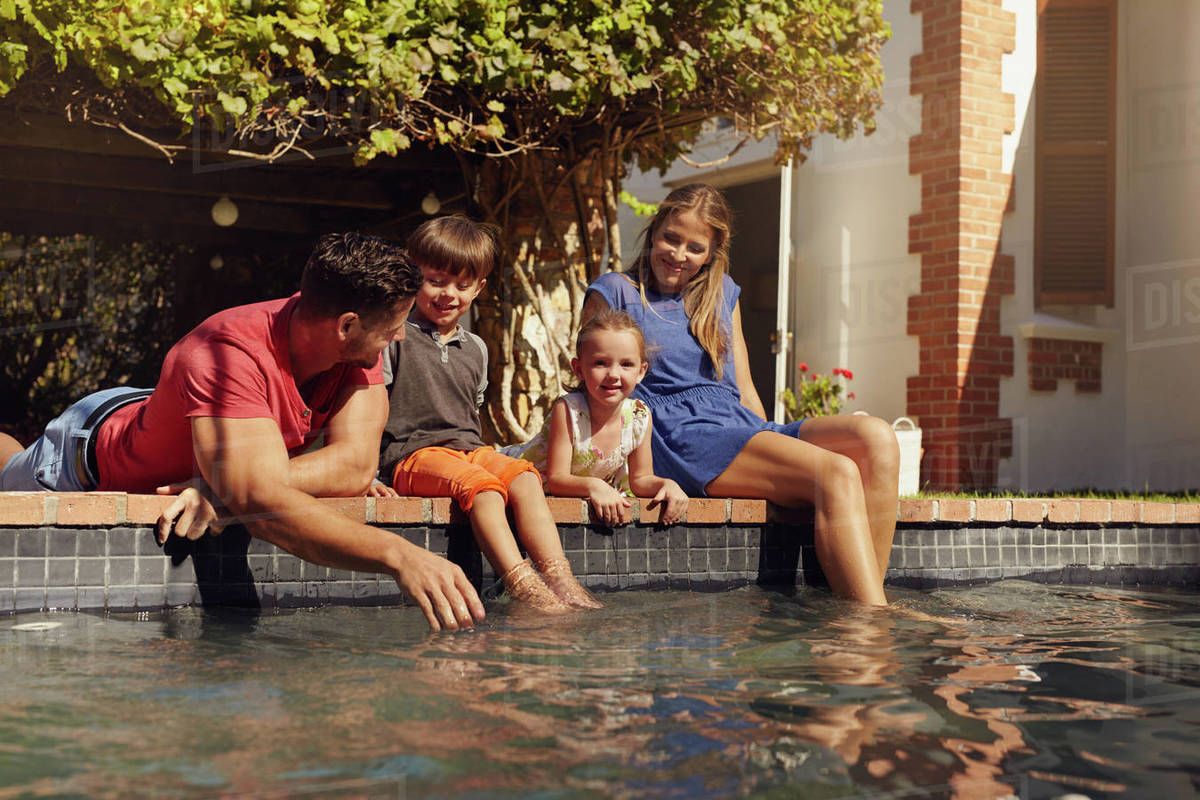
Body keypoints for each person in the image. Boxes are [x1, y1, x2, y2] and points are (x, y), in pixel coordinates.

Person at [0, 233, 485, 632]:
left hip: (187, 415)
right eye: (392, 329)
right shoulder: (227, 349)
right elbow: (263, 509)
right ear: (347, 325)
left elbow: (356, 465)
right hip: (82, 451)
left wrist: (223, 486)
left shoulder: (358, 344)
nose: (400, 337)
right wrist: (400, 556)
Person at [583, 184, 899, 605]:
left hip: (733, 425)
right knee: (836, 473)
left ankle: (864, 596)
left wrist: (770, 438)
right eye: (671, 238)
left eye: (695, 247)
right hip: (679, 436)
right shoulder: (616, 290)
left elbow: (743, 384)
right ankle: (869, 626)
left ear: (711, 253)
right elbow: (593, 384)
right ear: (654, 230)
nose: (678, 255)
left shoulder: (721, 293)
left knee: (876, 437)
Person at [373, 215, 600, 612]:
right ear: (412, 275)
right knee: (483, 488)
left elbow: (470, 412)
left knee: (527, 479)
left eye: (462, 285)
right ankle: (522, 582)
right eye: (436, 281)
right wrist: (368, 475)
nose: (449, 294)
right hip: (413, 456)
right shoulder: (395, 337)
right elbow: (372, 412)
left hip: (466, 450)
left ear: (478, 288)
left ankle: (559, 577)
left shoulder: (476, 348)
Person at [503, 309, 689, 526]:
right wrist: (596, 486)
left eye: (626, 364)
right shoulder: (569, 410)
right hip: (515, 475)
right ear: (579, 369)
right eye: (601, 363)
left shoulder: (639, 417)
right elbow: (556, 480)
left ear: (641, 371)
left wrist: (666, 485)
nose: (613, 374)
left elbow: (640, 480)